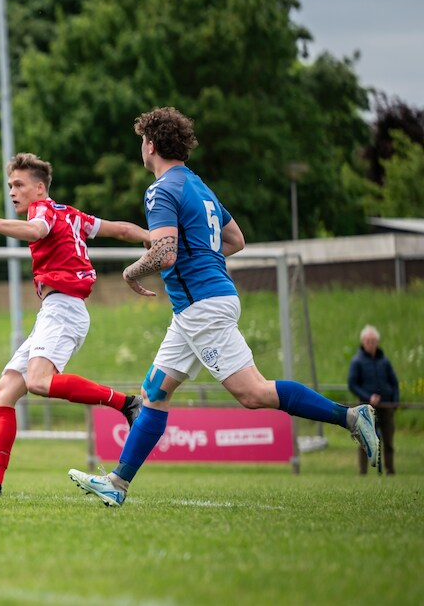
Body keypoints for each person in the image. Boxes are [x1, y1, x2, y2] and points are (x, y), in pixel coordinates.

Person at [68, 107, 380, 507]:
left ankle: (350, 416)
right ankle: (117, 483)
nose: (141, 148)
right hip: (197, 307)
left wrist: (131, 272)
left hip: (202, 306)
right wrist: (200, 258)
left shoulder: (160, 190)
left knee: (253, 392)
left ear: (151, 145)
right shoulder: (198, 186)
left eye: (142, 141)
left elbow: (164, 253)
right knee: (154, 391)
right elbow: (235, 240)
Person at [0, 152, 150, 497]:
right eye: (10, 185)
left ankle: (126, 403)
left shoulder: (42, 211)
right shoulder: (72, 214)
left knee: (39, 382)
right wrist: (149, 236)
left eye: (19, 184)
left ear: (40, 188)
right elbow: (121, 229)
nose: (13, 191)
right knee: (5, 391)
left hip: (64, 309)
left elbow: (35, 230)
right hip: (56, 310)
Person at [349, 324, 398, 475]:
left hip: (386, 405)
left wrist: (394, 402)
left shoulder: (384, 361)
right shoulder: (357, 361)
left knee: (388, 440)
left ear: (377, 342)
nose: (370, 344)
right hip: (366, 407)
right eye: (368, 341)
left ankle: (390, 470)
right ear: (363, 342)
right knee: (364, 439)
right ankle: (363, 472)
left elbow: (394, 382)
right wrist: (368, 397)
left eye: (373, 341)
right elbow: (352, 384)